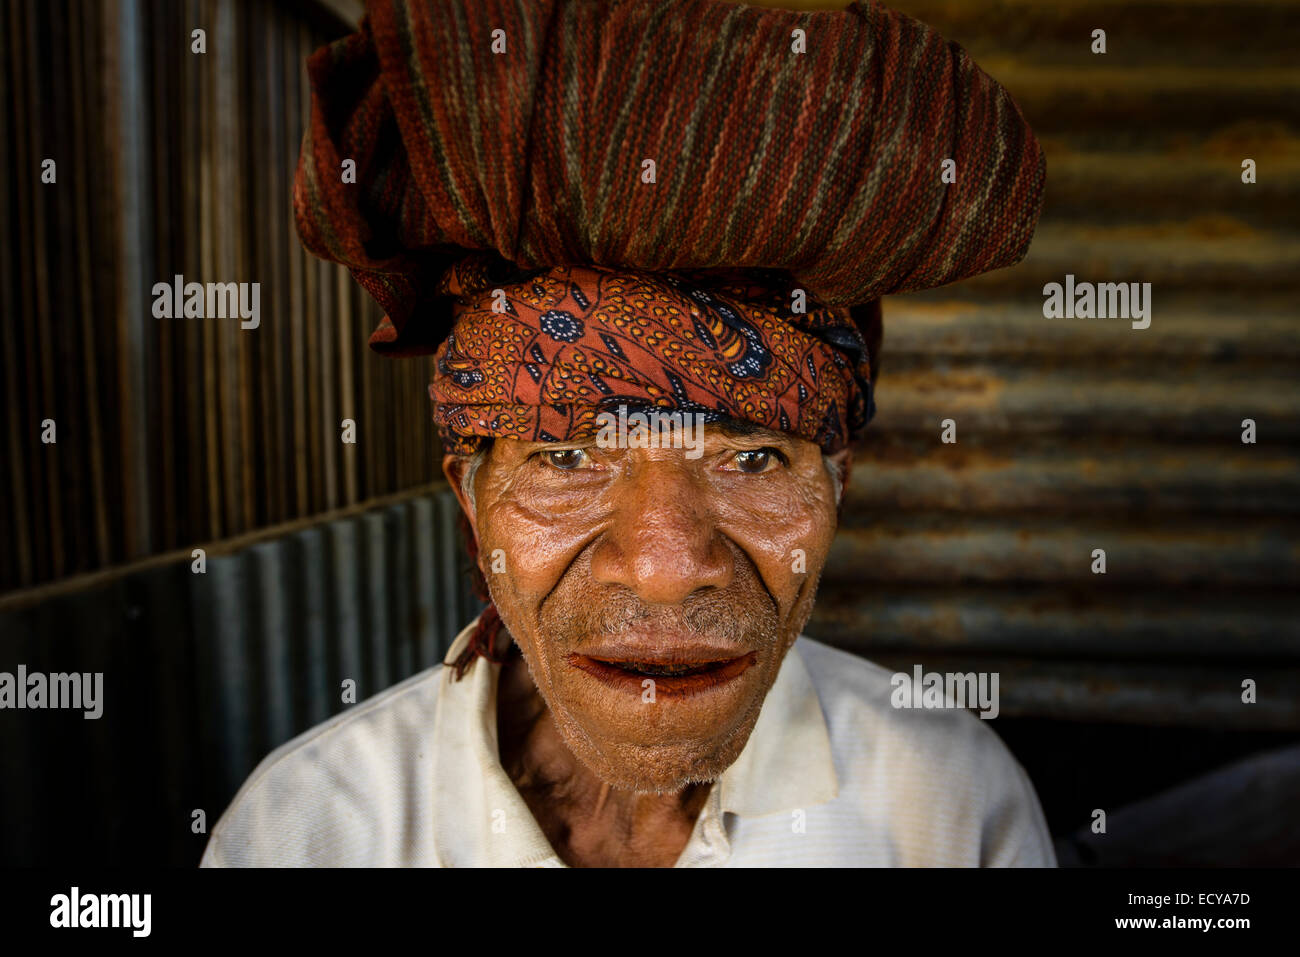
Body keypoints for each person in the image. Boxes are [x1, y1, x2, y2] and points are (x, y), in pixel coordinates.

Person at [202, 0, 1053, 867]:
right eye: (566, 456)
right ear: (472, 499)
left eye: (753, 456)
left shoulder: (947, 805)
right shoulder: (305, 833)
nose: (665, 567)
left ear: (837, 484)